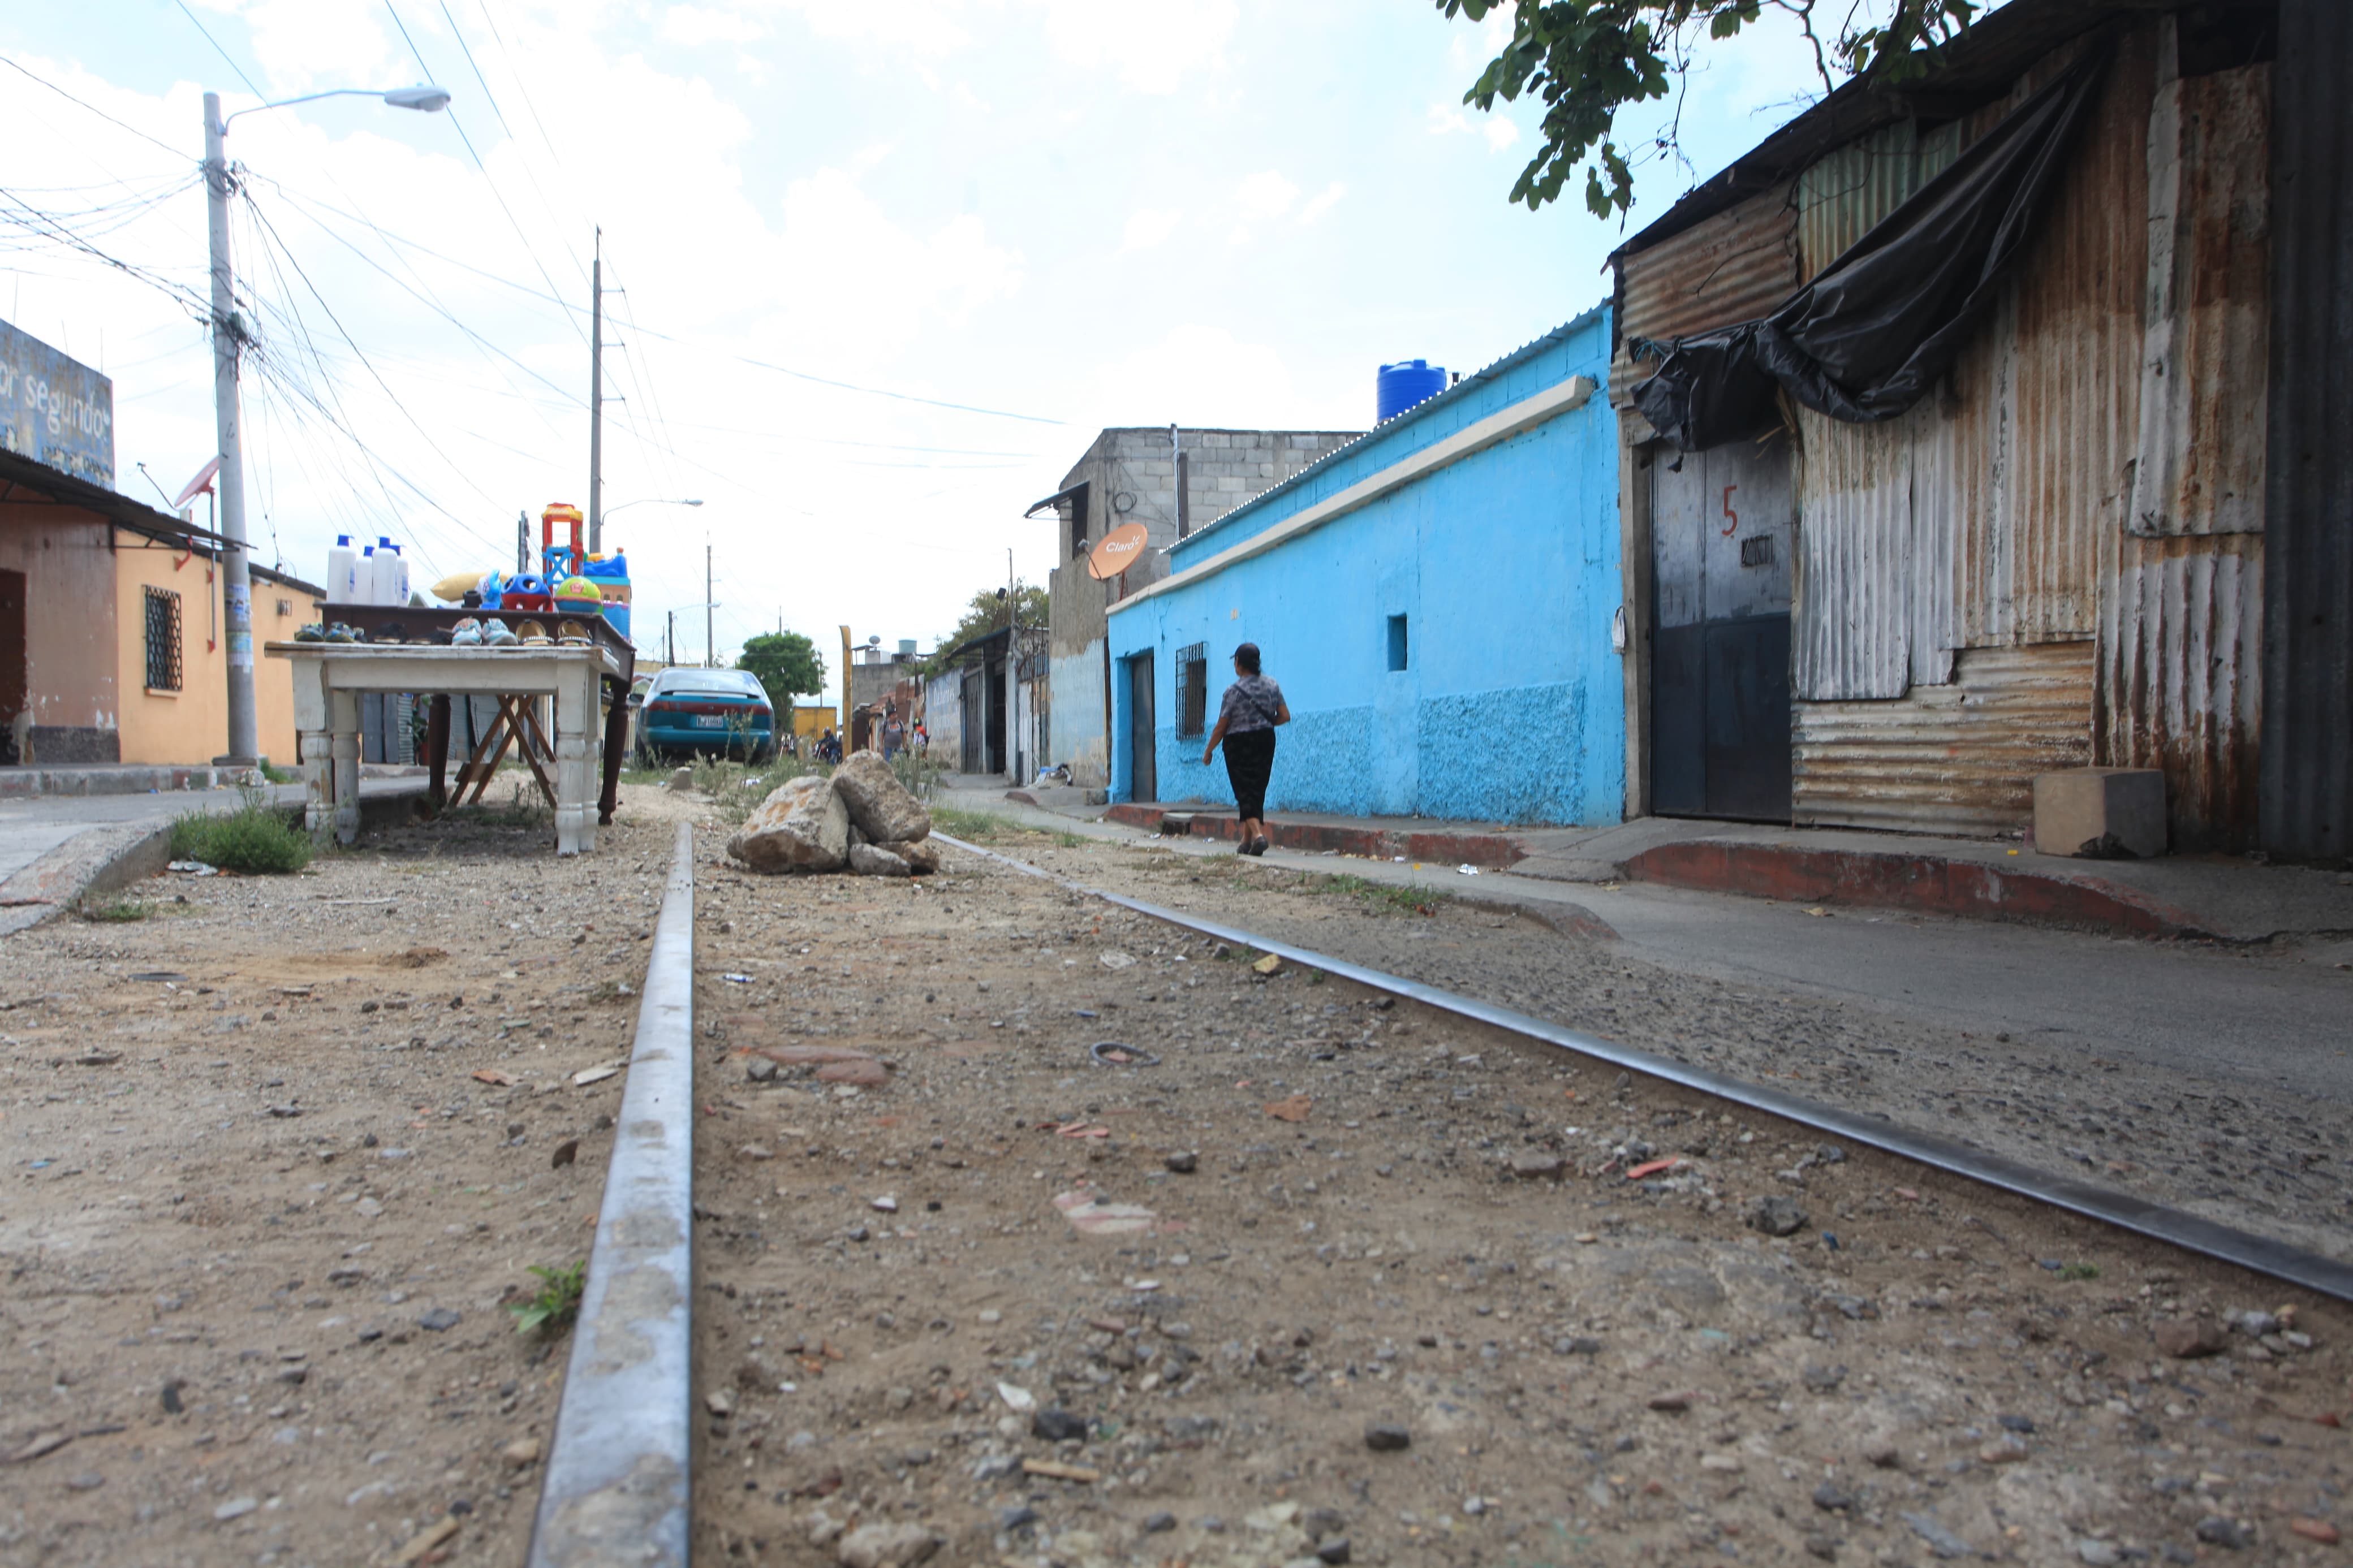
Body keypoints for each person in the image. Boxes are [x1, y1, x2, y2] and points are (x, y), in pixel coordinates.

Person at [1201, 641, 1289, 857]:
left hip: (1238, 744)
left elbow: (1222, 725)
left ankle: (1258, 836)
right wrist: (1265, 724)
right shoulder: (1272, 685)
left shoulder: (1232, 691)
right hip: (1265, 740)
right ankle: (1246, 841)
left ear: (1239, 663)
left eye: (1236, 661)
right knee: (1256, 790)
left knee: (1243, 790)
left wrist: (1209, 750)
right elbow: (1285, 716)